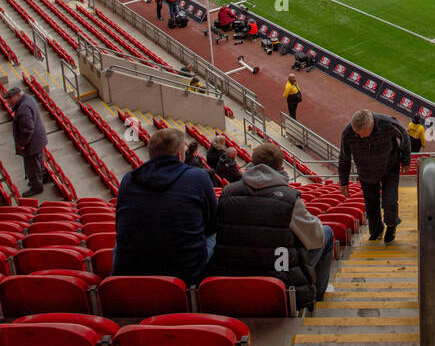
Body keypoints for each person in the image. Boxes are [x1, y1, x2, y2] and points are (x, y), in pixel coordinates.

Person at [211, 143, 332, 306]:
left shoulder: (226, 193)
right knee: (327, 232)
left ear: (251, 163)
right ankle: (316, 295)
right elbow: (316, 238)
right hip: (279, 273)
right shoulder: (290, 198)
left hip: (232, 272)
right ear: (281, 167)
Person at [113, 126, 217, 285]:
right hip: (186, 273)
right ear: (179, 154)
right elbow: (213, 223)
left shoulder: (128, 179)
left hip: (131, 271)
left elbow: (119, 223)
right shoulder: (198, 177)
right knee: (215, 235)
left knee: (119, 241)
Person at [339, 108, 411, 244]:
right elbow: (344, 158)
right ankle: (376, 230)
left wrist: (406, 160)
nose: (361, 137)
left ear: (372, 125)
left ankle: (391, 225)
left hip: (389, 167)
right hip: (366, 172)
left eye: (364, 134)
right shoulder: (348, 132)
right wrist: (344, 181)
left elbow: (404, 136)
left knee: (389, 201)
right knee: (371, 205)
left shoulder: (387, 123)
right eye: (358, 134)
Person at [8, 83, 46, 197]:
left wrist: (22, 144)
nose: (8, 101)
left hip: (31, 143)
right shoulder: (29, 99)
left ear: (18, 96)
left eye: (10, 98)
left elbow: (27, 129)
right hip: (38, 139)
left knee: (32, 166)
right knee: (38, 161)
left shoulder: (23, 108)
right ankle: (43, 178)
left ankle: (37, 187)